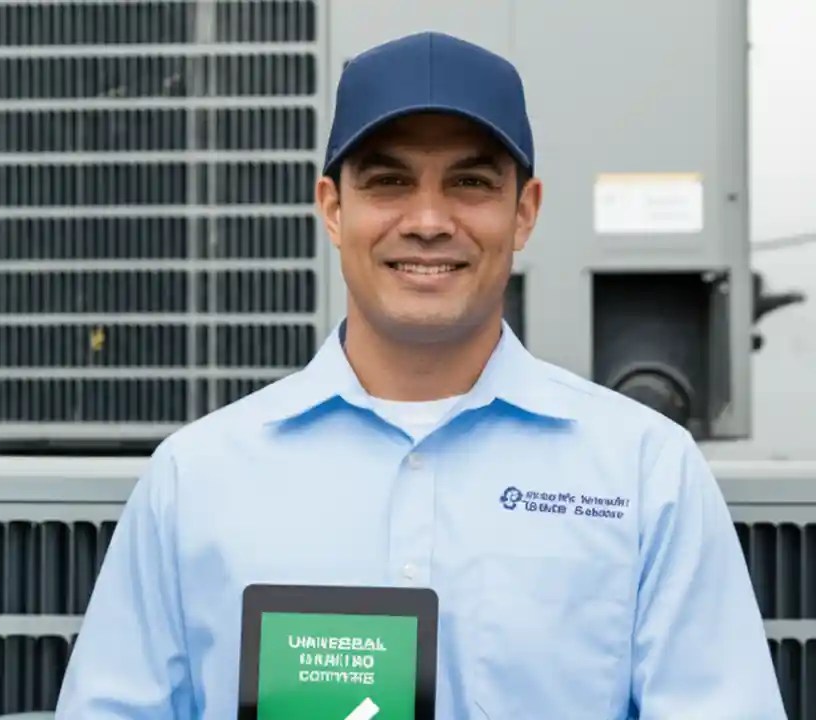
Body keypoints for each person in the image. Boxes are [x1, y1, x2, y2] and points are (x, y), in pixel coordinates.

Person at [53, 31, 784, 719]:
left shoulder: (646, 475)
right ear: (332, 209)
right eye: (389, 182)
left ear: (524, 213)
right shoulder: (196, 480)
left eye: (469, 182)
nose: (429, 219)